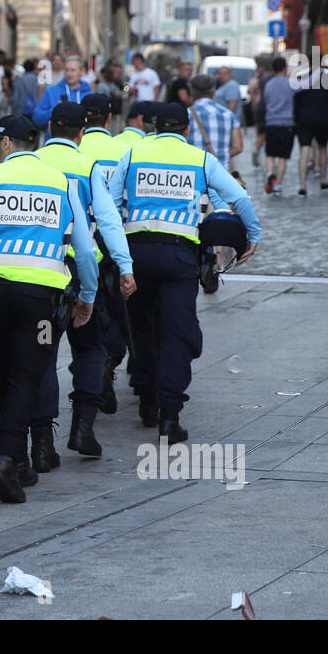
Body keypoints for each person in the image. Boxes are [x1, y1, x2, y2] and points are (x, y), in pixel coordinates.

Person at [0, 114, 100, 503]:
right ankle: (5, 458)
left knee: (8, 374)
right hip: (41, 296)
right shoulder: (63, 183)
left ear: (6, 143)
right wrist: (88, 294)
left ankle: (16, 461)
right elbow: (84, 249)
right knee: (26, 377)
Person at [105, 103, 260, 442]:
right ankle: (169, 417)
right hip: (179, 257)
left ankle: (147, 399)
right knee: (177, 333)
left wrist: (118, 250)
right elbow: (240, 197)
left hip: (137, 254)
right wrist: (254, 237)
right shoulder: (199, 159)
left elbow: (109, 205)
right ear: (187, 131)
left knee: (142, 329)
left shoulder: (132, 154)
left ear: (155, 128)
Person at [34, 101, 137, 464]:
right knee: (91, 348)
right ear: (80, 134)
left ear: (49, 128)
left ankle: (43, 444)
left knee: (43, 355)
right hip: (82, 270)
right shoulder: (88, 167)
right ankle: (83, 428)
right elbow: (108, 222)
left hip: (41, 271)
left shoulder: (35, 163)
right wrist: (125, 267)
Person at [79, 96, 153, 411]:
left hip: (76, 245)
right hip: (114, 241)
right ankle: (109, 360)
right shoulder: (126, 151)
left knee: (87, 312)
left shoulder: (74, 153)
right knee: (120, 309)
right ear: (110, 120)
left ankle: (93, 370)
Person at [181, 74, 242, 173]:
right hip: (220, 174)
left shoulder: (185, 115)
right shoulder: (228, 115)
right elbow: (238, 147)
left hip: (193, 174)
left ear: (191, 92)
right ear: (214, 93)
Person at [292, 65, 328, 194]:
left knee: (304, 149)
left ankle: (302, 184)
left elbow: (296, 99)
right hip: (322, 118)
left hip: (304, 118)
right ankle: (323, 179)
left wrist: (296, 118)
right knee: (323, 148)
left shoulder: (302, 78)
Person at [262, 56, 296, 193]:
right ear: (285, 68)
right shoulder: (290, 83)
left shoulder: (268, 85)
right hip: (286, 123)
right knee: (283, 157)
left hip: (271, 123)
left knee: (270, 154)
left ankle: (270, 172)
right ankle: (278, 184)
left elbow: (265, 101)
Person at [32, 55, 94, 126]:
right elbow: (36, 118)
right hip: (56, 136)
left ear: (82, 71)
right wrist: (54, 111)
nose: (69, 74)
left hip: (82, 136)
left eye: (72, 70)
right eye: (66, 70)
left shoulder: (89, 95)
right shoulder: (51, 91)